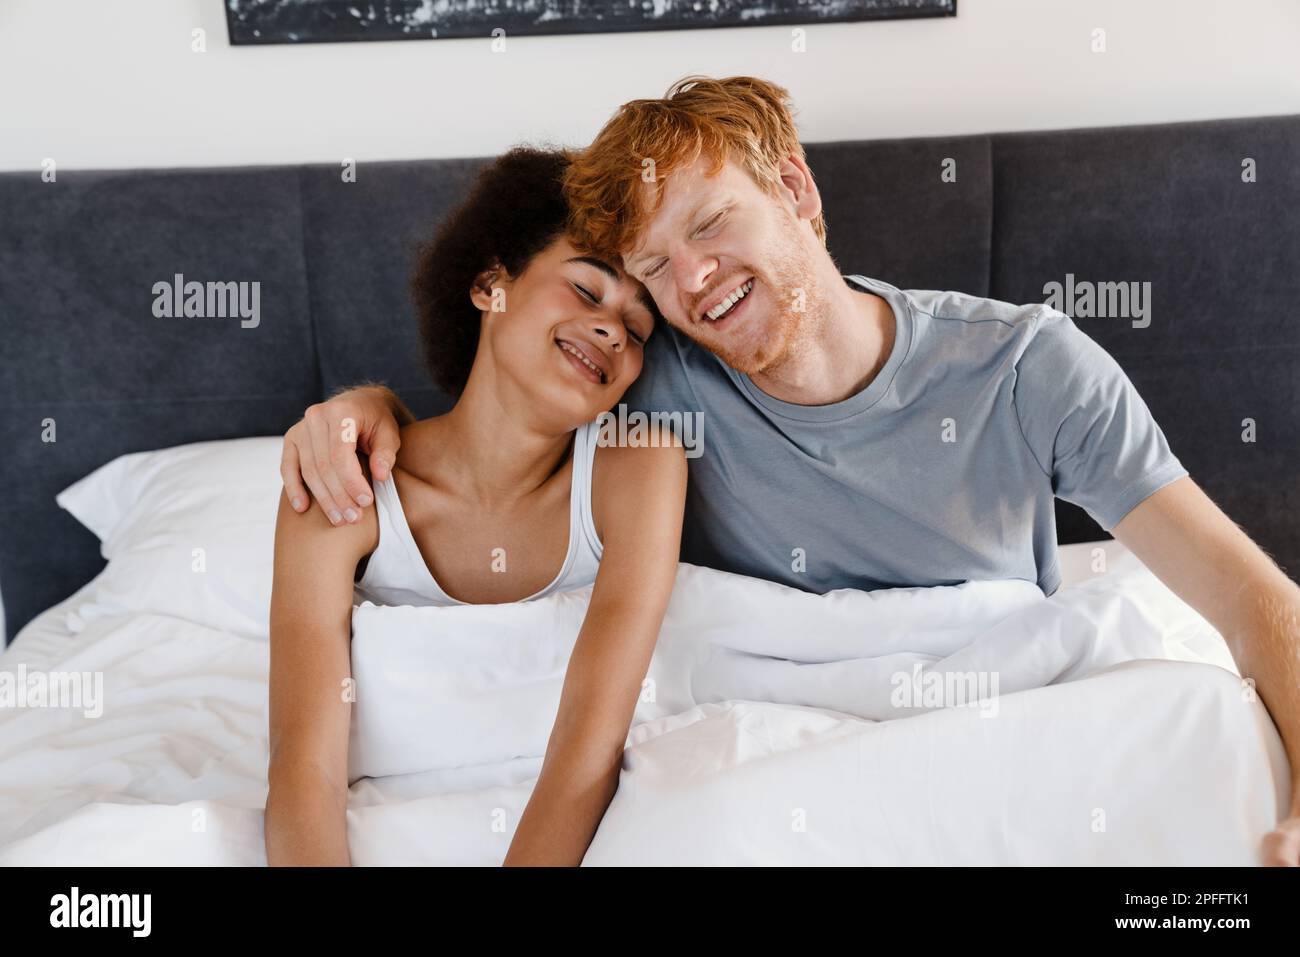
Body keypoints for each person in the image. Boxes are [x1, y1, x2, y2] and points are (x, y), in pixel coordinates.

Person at [279, 77, 1300, 866]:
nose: (689, 282)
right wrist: (355, 410)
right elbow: (509, 385)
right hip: (782, 752)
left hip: (991, 722)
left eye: (710, 224)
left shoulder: (1027, 369)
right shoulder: (648, 370)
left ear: (795, 192)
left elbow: (1255, 599)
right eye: (649, 267)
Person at [265, 147, 686, 867]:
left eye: (638, 328)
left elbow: (585, 756)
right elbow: (304, 768)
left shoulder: (638, 465)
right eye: (587, 290)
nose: (614, 328)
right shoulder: (343, 484)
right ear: (492, 284)